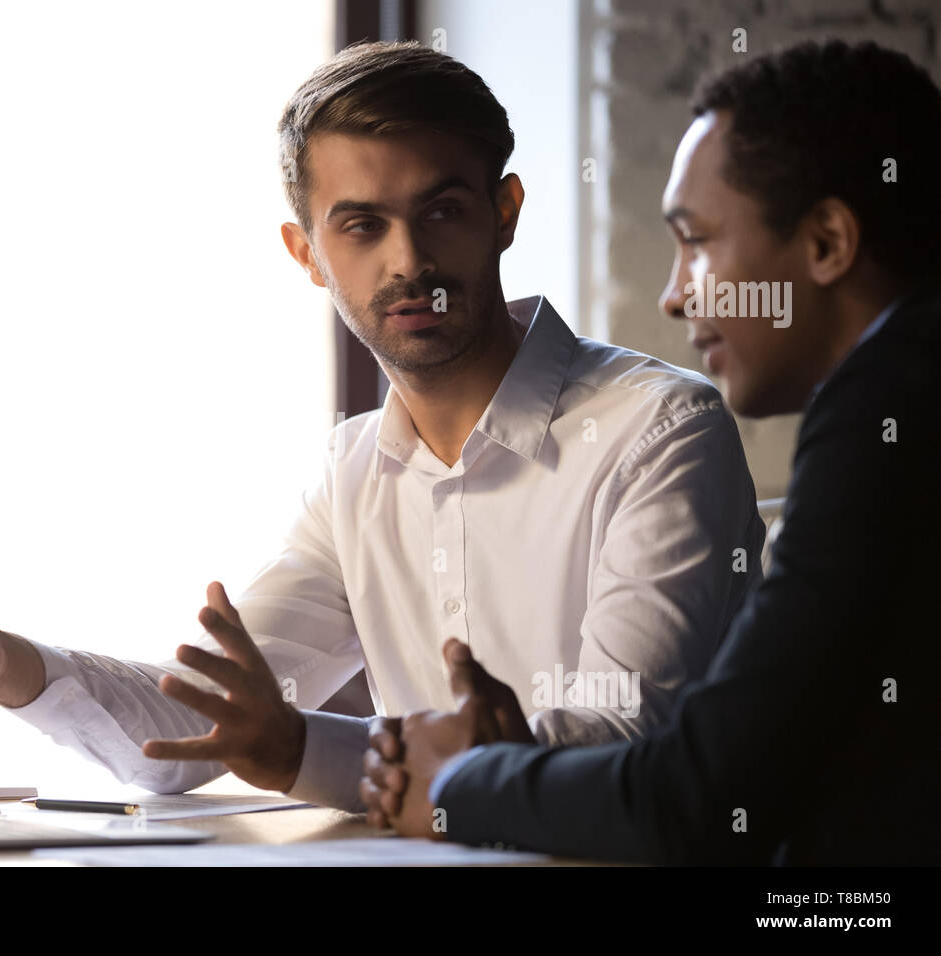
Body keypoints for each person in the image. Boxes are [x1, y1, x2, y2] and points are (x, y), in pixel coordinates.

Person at [0, 41, 762, 810]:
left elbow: (627, 741)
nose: (409, 261)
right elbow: (205, 725)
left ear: (505, 213)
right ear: (306, 254)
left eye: (442, 211)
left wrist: (306, 753)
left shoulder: (661, 429)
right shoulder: (355, 472)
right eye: (362, 226)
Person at [360, 39, 941, 864]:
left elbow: (699, 792)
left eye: (696, 241)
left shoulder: (890, 412)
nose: (673, 294)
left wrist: (464, 783)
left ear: (825, 244)